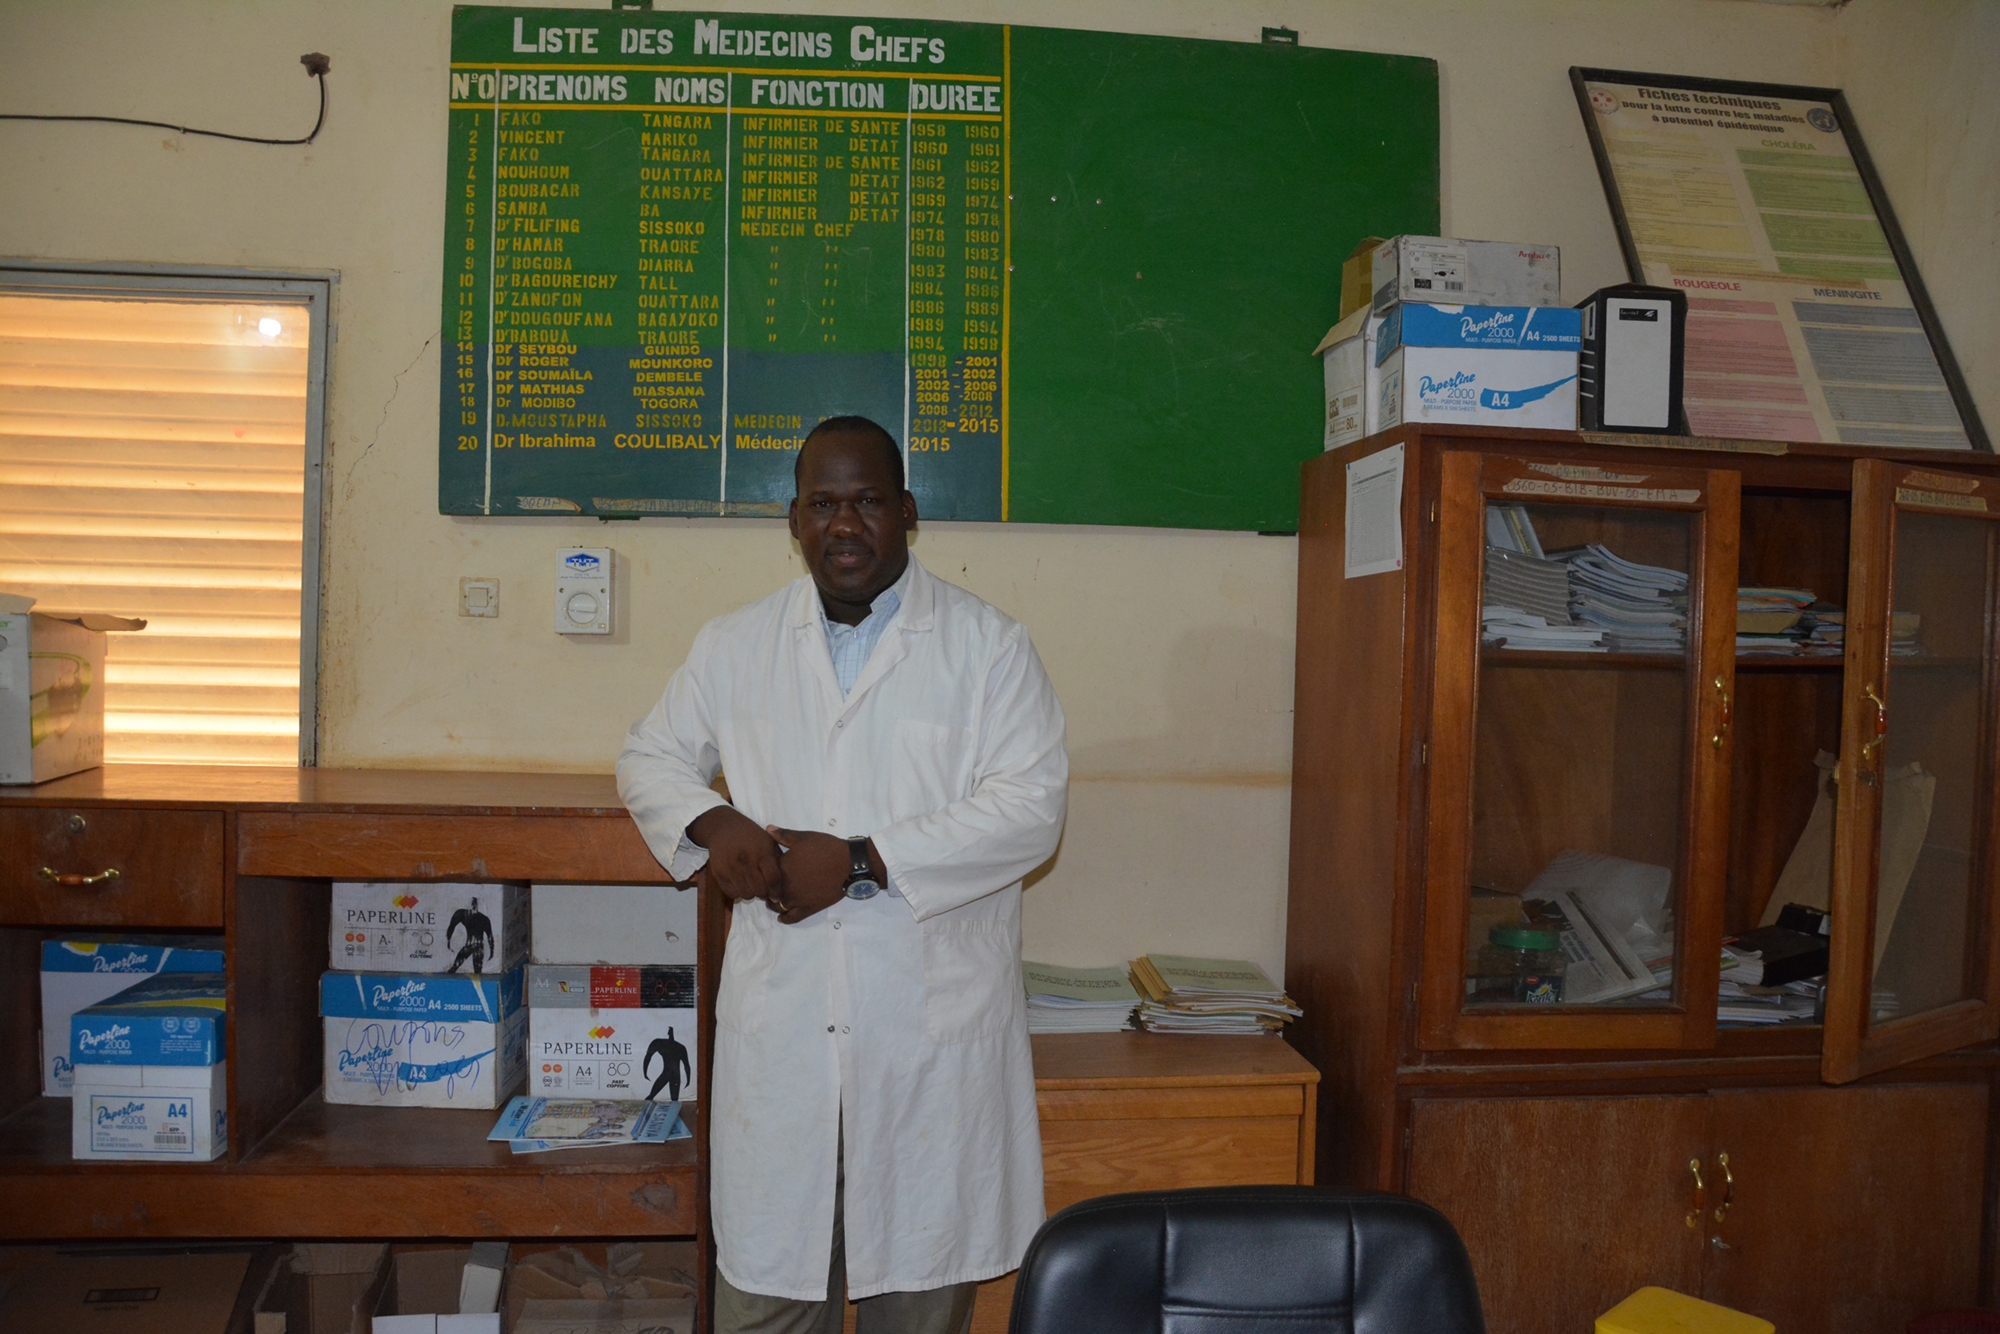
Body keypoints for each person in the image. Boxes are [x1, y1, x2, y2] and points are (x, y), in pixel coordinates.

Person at [618, 416, 1068, 1334]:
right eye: (823, 504)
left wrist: (863, 859)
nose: (846, 524)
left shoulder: (988, 647)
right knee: (767, 1305)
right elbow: (649, 755)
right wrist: (713, 820)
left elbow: (1032, 808)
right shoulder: (735, 644)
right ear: (793, 520)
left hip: (923, 1047)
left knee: (917, 1303)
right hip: (785, 1036)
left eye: (868, 501)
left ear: (907, 512)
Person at [445, 896, 492, 974]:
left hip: (474, 946)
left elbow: (490, 936)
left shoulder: (481, 918)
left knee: (475, 971)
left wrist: (448, 941)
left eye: (474, 904)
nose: (473, 906)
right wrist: (448, 940)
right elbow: (452, 926)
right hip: (474, 946)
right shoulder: (464, 914)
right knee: (455, 968)